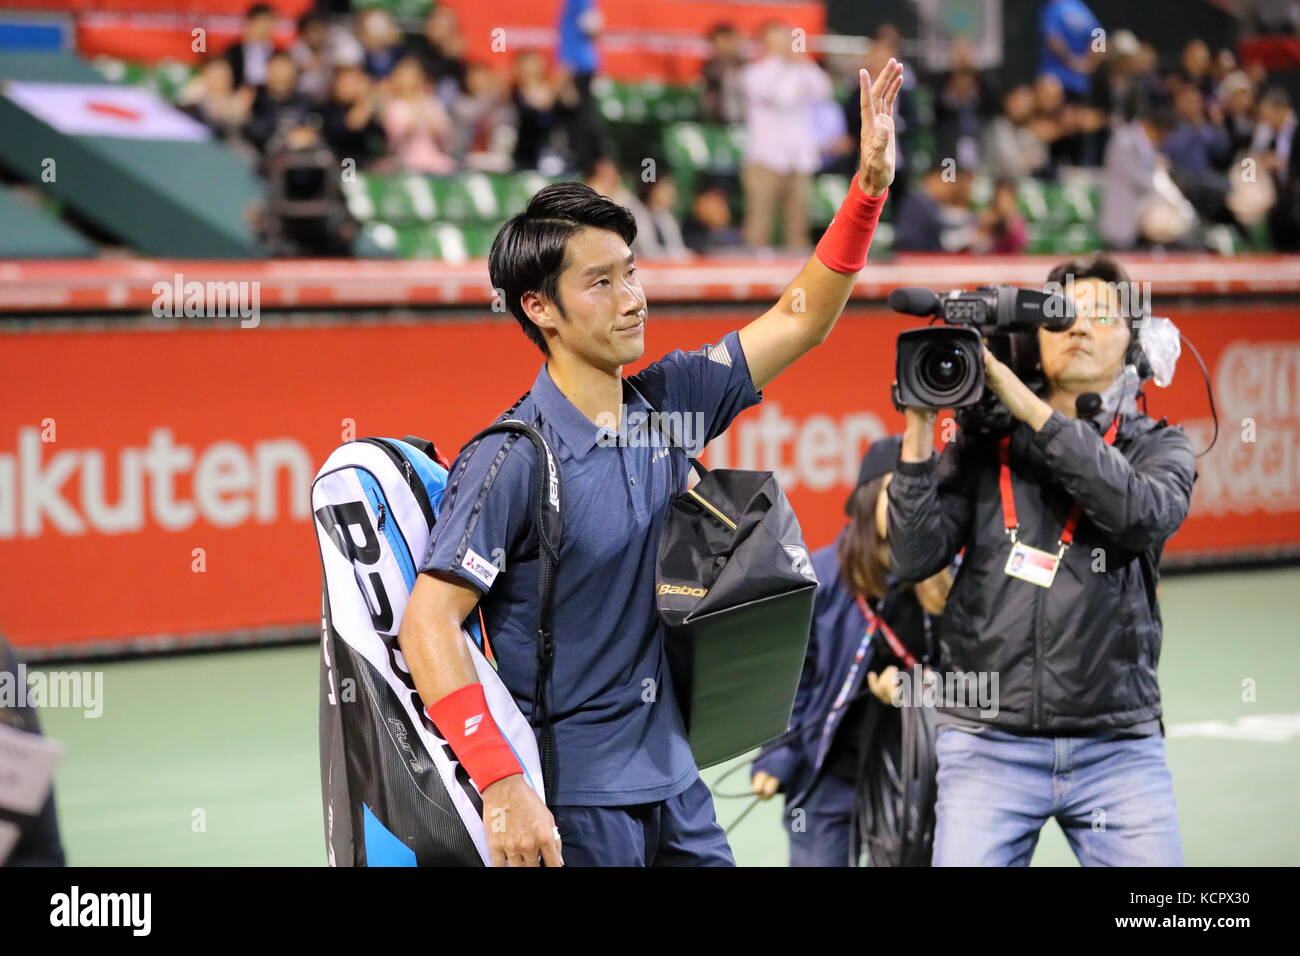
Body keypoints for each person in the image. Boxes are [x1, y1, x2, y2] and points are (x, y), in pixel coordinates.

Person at [396, 59, 904, 867]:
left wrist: (867, 192)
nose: (633, 297)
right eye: (601, 283)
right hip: (573, 801)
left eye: (632, 273)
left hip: (676, 785)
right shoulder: (511, 457)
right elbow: (429, 623)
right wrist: (499, 784)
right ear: (540, 308)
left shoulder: (670, 404)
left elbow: (799, 323)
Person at [887, 253, 1197, 866]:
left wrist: (1026, 405)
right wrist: (920, 425)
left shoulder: (1158, 445)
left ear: (1136, 344)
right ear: (1038, 338)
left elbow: (1137, 515)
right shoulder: (983, 443)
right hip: (987, 739)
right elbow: (914, 553)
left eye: (1101, 316)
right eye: (1061, 317)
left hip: (1117, 744)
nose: (1078, 328)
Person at [750, 435, 950, 866]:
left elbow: (976, 678)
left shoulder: (950, 579)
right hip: (828, 773)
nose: (912, 506)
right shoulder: (820, 574)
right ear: (868, 498)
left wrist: (916, 688)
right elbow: (789, 678)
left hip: (919, 776)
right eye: (900, 493)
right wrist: (777, 755)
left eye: (923, 496)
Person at [739, 20, 835, 251]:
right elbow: (775, 95)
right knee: (759, 223)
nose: (783, 44)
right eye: (777, 38)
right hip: (765, 158)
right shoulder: (753, 73)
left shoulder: (801, 70)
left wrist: (803, 62)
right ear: (764, 43)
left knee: (798, 224)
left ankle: (799, 275)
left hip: (799, 158)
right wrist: (781, 62)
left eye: (785, 38)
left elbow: (824, 91)